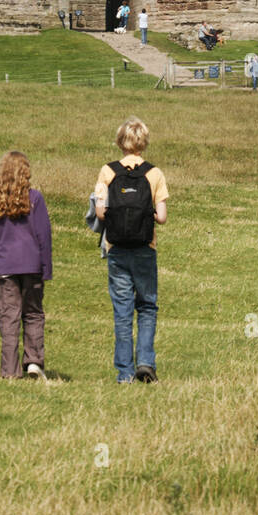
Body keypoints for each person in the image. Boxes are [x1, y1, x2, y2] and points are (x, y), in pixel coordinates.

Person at [94, 116, 169, 384]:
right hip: (145, 247)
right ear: (143, 142)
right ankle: (146, 362)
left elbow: (101, 213)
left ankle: (124, 373)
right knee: (147, 306)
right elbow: (161, 217)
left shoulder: (108, 171)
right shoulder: (154, 173)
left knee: (122, 310)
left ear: (120, 142)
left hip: (116, 248)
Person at [0, 151, 52, 381]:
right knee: (33, 314)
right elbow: (44, 236)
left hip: (5, 269)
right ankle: (33, 362)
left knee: (9, 318)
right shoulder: (36, 199)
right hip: (32, 267)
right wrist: (46, 267)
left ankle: (10, 371)